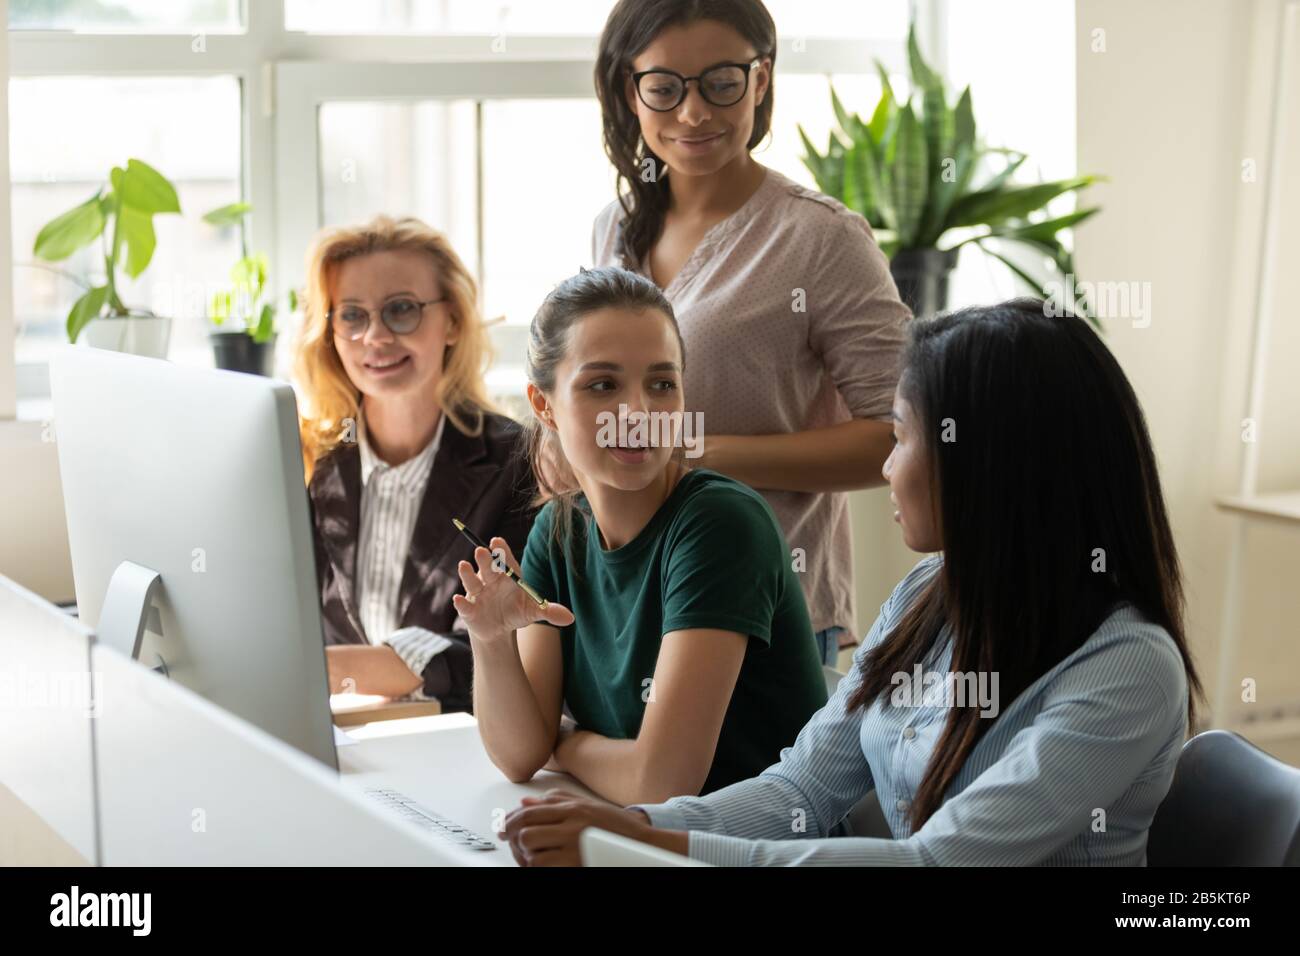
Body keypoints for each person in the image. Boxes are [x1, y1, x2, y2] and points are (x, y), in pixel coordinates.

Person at [496, 298, 1204, 866]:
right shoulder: (926, 597)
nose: (887, 469)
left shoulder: (1128, 666)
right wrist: (632, 825)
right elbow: (799, 788)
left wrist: (652, 839)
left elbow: (937, 861)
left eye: (900, 437)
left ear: (988, 462)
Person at [592, 0, 912, 666]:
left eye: (721, 82)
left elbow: (898, 432)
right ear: (631, 89)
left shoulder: (821, 239)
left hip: (766, 601)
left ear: (760, 80)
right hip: (630, 594)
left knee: (755, 777)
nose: (693, 113)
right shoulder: (614, 228)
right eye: (664, 87)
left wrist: (696, 453)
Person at [457, 266, 828, 806]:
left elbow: (660, 782)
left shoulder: (720, 524)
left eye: (661, 383)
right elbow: (517, 756)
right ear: (543, 405)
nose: (638, 414)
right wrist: (489, 641)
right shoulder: (558, 533)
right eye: (603, 385)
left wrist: (564, 744)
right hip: (645, 842)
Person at [295, 215, 535, 711]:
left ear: (451, 321)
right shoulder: (310, 462)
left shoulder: (518, 463)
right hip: (339, 740)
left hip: (459, 748)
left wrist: (328, 670)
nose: (375, 336)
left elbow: (516, 647)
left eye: (401, 310)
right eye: (352, 315)